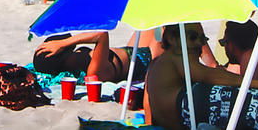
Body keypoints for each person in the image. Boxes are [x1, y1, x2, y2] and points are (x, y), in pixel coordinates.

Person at [32, 30, 181, 82]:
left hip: (132, 50)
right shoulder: (93, 71)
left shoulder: (77, 56)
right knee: (168, 24)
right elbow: (102, 34)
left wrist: (62, 44)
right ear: (63, 58)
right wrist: (63, 43)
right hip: (148, 60)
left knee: (149, 18)